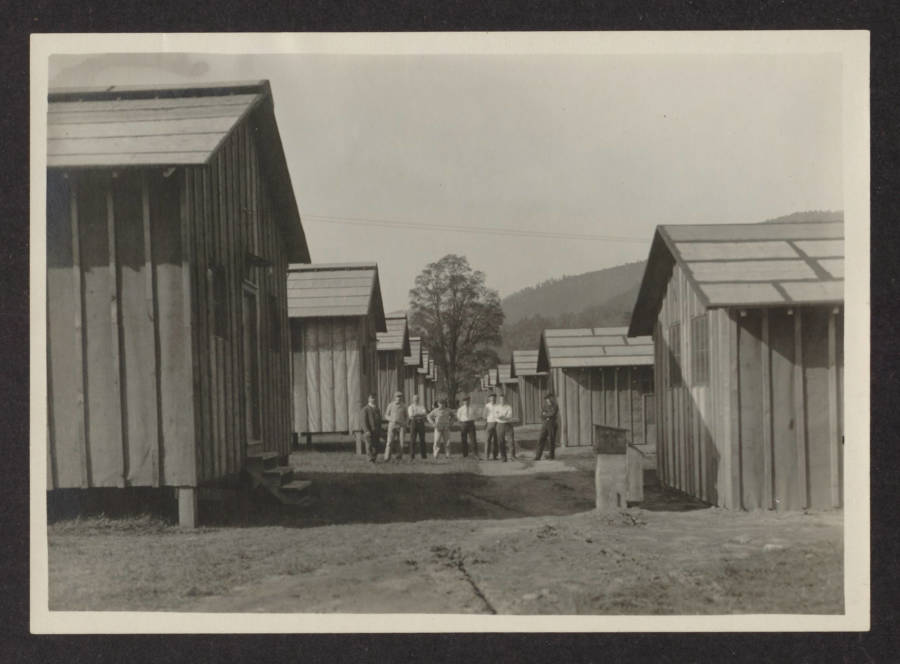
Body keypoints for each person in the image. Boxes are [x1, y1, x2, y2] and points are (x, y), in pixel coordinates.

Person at [383, 391, 408, 462]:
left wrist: (405, 423)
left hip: (401, 426)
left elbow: (407, 416)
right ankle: (387, 457)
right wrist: (391, 419)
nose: (399, 398)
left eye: (400, 397)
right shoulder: (390, 405)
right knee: (390, 441)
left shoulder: (404, 405)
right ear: (395, 397)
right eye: (397, 396)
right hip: (392, 425)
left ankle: (399, 457)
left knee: (401, 442)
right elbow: (386, 415)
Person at [534, 393, 559, 461]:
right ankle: (537, 456)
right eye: (547, 399)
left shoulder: (555, 406)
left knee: (551, 440)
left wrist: (546, 415)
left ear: (552, 398)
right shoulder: (545, 406)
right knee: (541, 439)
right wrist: (547, 416)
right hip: (545, 424)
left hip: (552, 424)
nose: (548, 400)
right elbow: (541, 415)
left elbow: (552, 414)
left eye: (549, 399)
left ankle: (551, 456)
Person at [361, 394, 382, 462]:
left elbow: (379, 419)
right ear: (368, 399)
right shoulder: (366, 409)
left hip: (376, 430)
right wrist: (366, 430)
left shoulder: (377, 409)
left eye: (374, 398)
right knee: (369, 444)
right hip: (369, 430)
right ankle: (370, 458)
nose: (373, 399)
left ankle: (374, 457)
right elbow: (363, 421)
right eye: (372, 398)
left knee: (376, 444)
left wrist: (379, 428)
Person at [407, 393, 428, 460]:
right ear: (413, 399)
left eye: (417, 399)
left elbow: (425, 414)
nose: (416, 400)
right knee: (413, 439)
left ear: (419, 399)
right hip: (413, 423)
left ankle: (423, 456)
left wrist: (416, 414)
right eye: (415, 399)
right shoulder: (410, 407)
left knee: (422, 439)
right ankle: (412, 456)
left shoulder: (421, 406)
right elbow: (411, 416)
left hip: (421, 423)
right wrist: (419, 414)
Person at [494, 393, 513, 462]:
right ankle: (503, 457)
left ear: (505, 400)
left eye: (503, 399)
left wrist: (502, 416)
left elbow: (509, 416)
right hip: (499, 425)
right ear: (499, 400)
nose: (502, 401)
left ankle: (512, 456)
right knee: (501, 441)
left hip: (508, 425)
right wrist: (503, 416)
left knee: (510, 440)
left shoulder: (508, 407)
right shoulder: (496, 407)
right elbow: (496, 415)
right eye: (501, 399)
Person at [483, 393, 498, 460]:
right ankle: (487, 456)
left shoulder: (498, 405)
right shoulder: (487, 406)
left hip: (497, 423)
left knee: (496, 440)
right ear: (489, 398)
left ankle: (495, 456)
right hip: (489, 423)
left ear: (496, 398)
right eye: (491, 398)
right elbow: (484, 416)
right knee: (487, 440)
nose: (493, 399)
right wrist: (485, 424)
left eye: (494, 398)